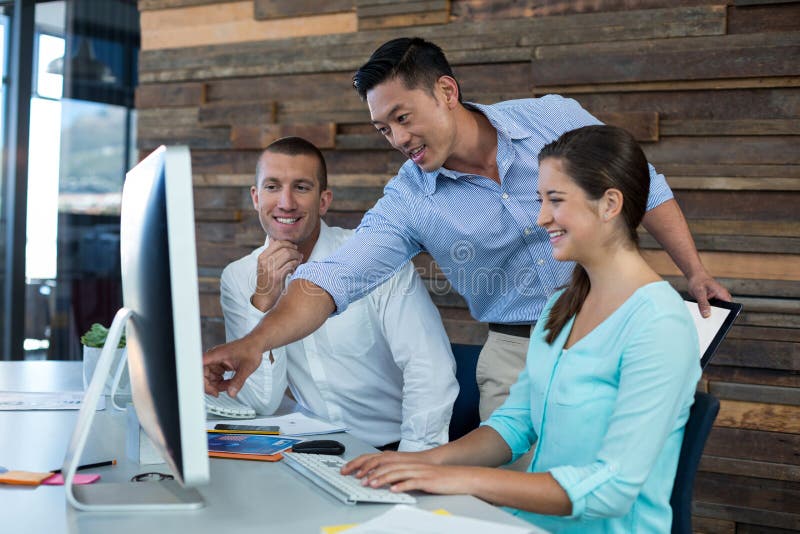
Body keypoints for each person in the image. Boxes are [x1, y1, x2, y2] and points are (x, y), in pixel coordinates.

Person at [203, 37, 727, 422]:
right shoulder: (409, 199)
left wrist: (695, 271)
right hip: (519, 352)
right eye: (384, 128)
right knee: (520, 505)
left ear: (446, 91)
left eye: (404, 118)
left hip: (622, 328)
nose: (398, 138)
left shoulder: (552, 119)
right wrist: (255, 342)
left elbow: (645, 186)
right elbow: (332, 280)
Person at [341, 125, 702, 533]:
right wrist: (420, 462)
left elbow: (612, 487)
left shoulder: (660, 323)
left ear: (609, 204)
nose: (540, 218)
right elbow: (514, 425)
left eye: (555, 201)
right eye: (540, 200)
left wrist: (456, 479)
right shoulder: (558, 308)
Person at [216, 136, 458, 451]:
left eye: (301, 187)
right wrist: (264, 301)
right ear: (256, 197)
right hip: (311, 447)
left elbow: (429, 365)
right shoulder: (238, 277)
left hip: (391, 446)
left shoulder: (373, 257)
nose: (286, 202)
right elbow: (261, 401)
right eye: (273, 187)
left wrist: (413, 459)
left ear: (324, 201)